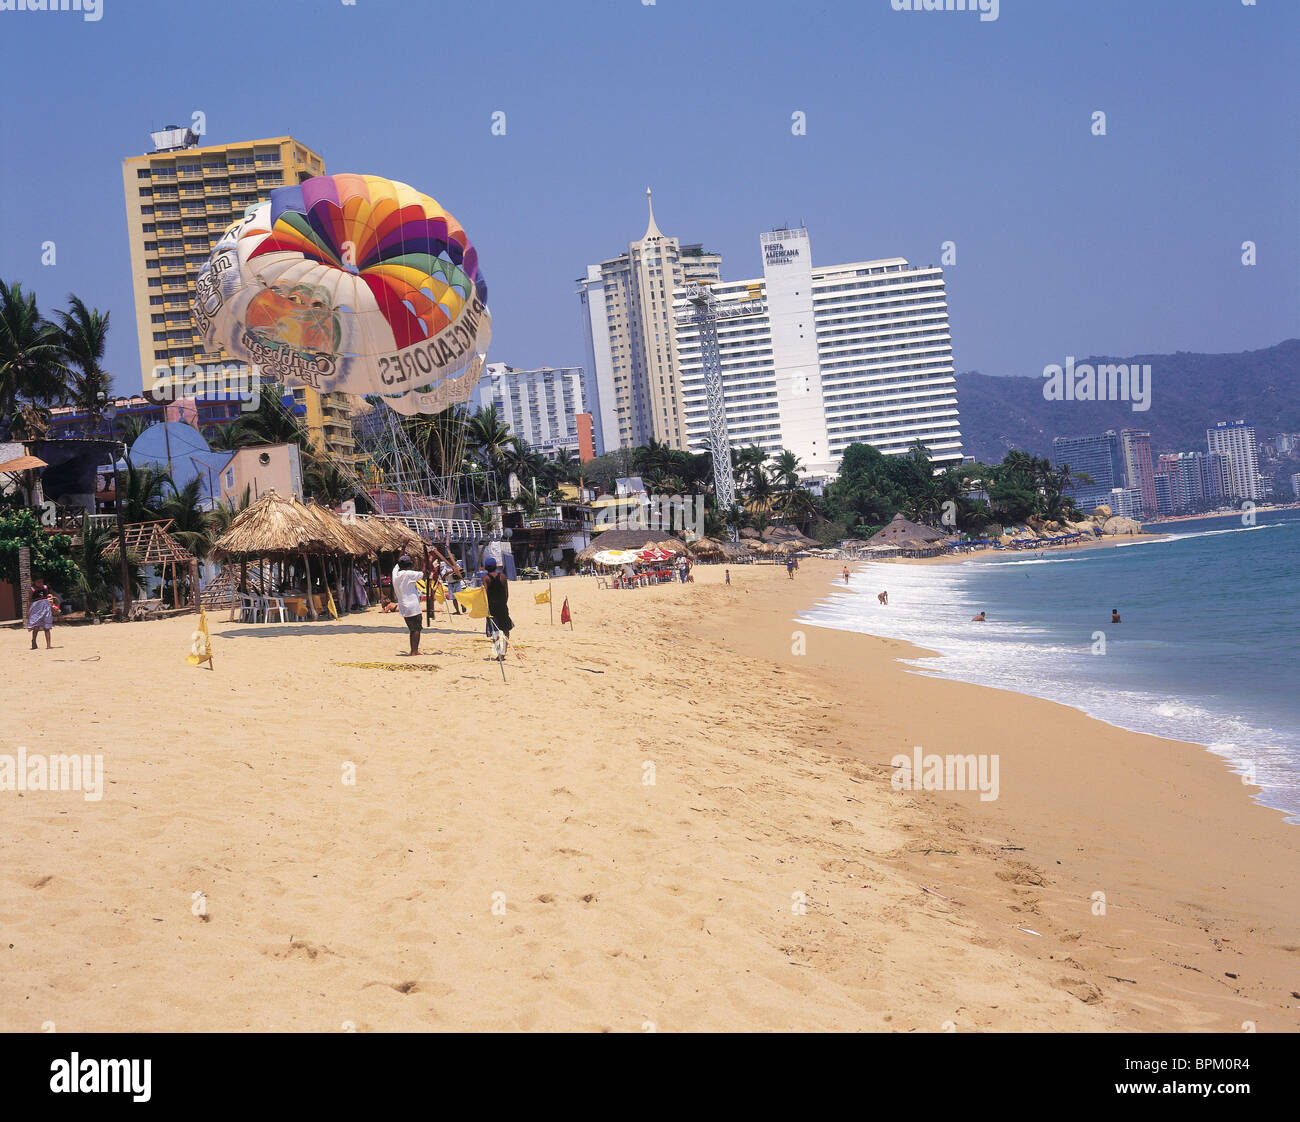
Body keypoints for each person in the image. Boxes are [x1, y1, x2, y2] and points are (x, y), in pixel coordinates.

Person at [391, 554, 424, 655]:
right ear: (409, 565)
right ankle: (414, 651)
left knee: (412, 629)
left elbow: (398, 562)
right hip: (413, 606)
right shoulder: (409, 574)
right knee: (416, 629)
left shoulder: (395, 574)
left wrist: (404, 546)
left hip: (403, 607)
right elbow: (424, 574)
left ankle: (413, 650)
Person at [482, 558, 513, 660]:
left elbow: (485, 594)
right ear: (496, 566)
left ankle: (499, 651)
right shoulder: (503, 577)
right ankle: (503, 653)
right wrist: (504, 603)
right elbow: (506, 593)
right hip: (502, 605)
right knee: (505, 629)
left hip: (491, 607)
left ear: (486, 567)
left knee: (494, 631)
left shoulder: (485, 578)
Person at [27, 584, 57, 650]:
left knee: (47, 627)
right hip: (36, 610)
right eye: (38, 582)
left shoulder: (46, 587)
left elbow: (51, 595)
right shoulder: (32, 589)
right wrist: (28, 611)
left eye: (41, 581)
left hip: (46, 609)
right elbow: (29, 600)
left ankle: (48, 645)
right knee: (36, 627)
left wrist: (52, 604)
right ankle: (34, 641)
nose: (40, 583)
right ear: (34, 582)